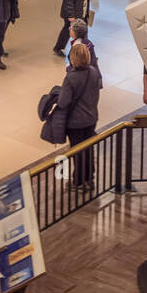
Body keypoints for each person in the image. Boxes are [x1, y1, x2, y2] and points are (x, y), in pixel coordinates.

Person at [49, 43, 102, 188]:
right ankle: (89, 178)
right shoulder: (94, 72)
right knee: (89, 148)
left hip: (76, 121)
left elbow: (63, 102)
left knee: (77, 151)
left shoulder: (71, 78)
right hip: (91, 117)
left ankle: (78, 182)